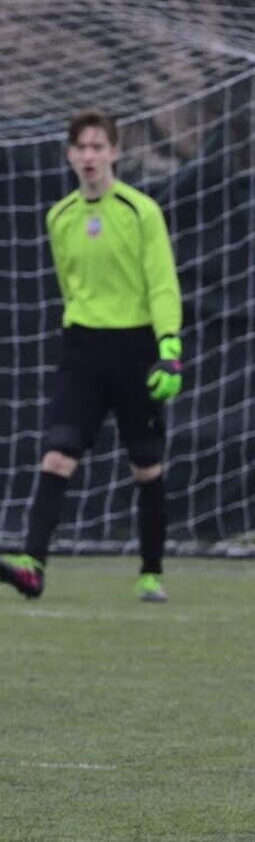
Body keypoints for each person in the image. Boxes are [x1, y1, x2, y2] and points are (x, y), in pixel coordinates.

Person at [0, 108, 183, 603]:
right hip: (83, 349)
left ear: (115, 153)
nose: (88, 156)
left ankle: (150, 572)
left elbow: (161, 282)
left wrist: (169, 348)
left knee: (145, 466)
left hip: (137, 349)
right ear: (69, 154)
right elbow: (71, 286)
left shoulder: (140, 211)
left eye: (98, 147)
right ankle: (33, 566)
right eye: (81, 147)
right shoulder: (59, 217)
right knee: (57, 455)